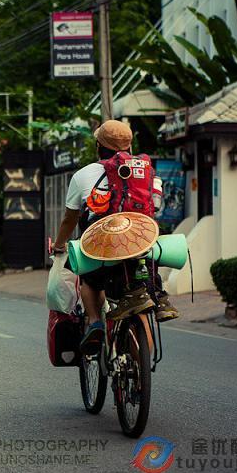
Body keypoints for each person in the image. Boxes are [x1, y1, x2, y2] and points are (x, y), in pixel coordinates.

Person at [52, 120, 179, 355]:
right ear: (129, 146)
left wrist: (59, 245)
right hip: (142, 241)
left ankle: (94, 322)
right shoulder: (148, 173)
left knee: (89, 279)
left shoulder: (83, 175)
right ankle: (155, 302)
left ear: (99, 146)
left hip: (105, 245)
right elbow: (158, 207)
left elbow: (70, 219)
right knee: (145, 275)